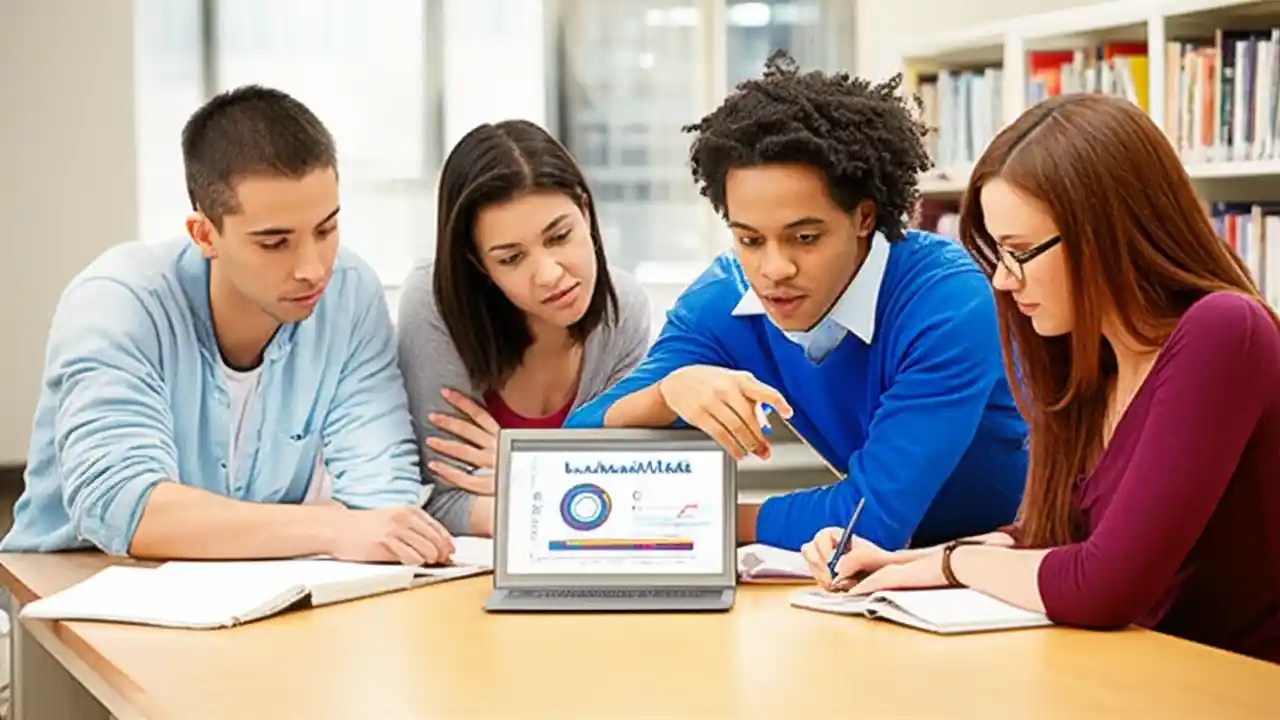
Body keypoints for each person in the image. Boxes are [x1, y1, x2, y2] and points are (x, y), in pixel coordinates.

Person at [802, 94, 1280, 663]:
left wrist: (952, 563)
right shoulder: (1090, 361)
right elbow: (1054, 536)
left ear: (1106, 232)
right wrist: (902, 563)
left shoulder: (1224, 331)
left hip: (1229, 684)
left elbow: (1103, 585)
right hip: (1130, 672)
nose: (1003, 281)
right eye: (998, 255)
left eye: (1021, 252)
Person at [565, 51, 1028, 552]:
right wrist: (664, 394)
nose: (774, 269)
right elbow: (566, 456)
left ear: (864, 218)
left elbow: (869, 520)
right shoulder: (722, 303)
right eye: (749, 239)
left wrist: (698, 520)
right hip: (893, 571)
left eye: (805, 238)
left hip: (1017, 555)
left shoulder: (948, 302)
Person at [0, 85, 455, 565]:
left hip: (253, 584)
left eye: (326, 229)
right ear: (204, 234)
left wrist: (361, 528)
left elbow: (385, 497)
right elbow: (124, 506)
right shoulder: (118, 300)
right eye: (274, 243)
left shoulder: (349, 292)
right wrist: (333, 528)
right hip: (80, 577)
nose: (313, 268)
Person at [397, 120, 651, 537]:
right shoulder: (435, 304)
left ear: (585, 211)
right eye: (511, 259)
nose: (549, 274)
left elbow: (634, 489)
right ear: (479, 263)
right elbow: (439, 500)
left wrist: (526, 468)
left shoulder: (622, 311)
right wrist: (569, 479)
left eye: (560, 236)